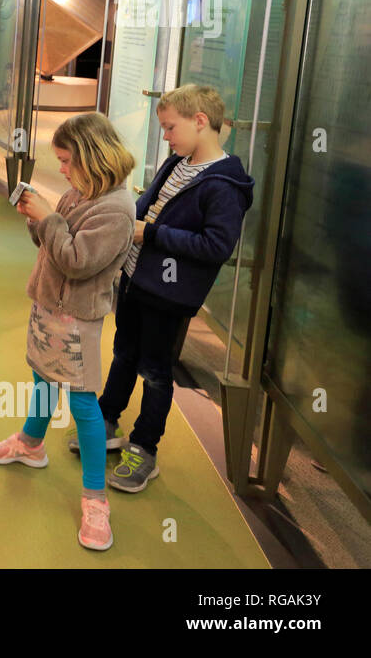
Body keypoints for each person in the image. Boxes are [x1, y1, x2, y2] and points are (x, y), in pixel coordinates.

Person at [0, 112, 136, 551]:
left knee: (83, 404)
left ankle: (95, 499)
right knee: (43, 379)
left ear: (91, 157)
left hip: (77, 320)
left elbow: (75, 261)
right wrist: (37, 219)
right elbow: (51, 244)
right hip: (48, 308)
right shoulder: (78, 192)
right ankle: (30, 444)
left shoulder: (117, 211)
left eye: (67, 161)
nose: (62, 169)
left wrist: (49, 218)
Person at [93, 84, 253, 493]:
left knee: (155, 371)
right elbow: (147, 204)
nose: (165, 136)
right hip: (135, 279)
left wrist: (150, 234)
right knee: (124, 353)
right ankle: (106, 420)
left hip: (167, 293)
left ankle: (144, 448)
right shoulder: (176, 162)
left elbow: (215, 246)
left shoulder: (225, 185)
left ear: (200, 121)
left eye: (170, 127)